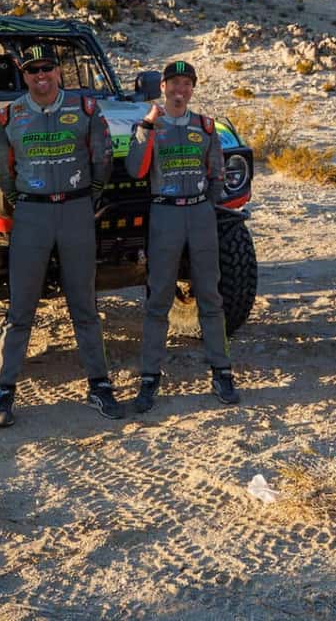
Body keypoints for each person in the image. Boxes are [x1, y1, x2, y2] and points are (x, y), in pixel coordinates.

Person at [0, 43, 117, 426]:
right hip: (32, 215)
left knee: (85, 306)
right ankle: (3, 394)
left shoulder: (85, 110)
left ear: (59, 71)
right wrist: (23, 200)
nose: (40, 76)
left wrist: (85, 199)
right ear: (23, 75)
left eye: (47, 68)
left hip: (76, 211)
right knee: (20, 310)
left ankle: (99, 386)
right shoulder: (9, 116)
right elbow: (2, 172)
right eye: (32, 71)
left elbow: (102, 160)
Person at [125, 59, 239, 413]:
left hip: (200, 214)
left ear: (192, 89)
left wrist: (207, 207)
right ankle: (149, 378)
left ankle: (222, 371)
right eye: (173, 83)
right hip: (165, 214)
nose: (180, 89)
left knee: (210, 295)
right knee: (159, 298)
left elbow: (217, 174)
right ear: (162, 87)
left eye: (186, 83)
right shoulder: (149, 126)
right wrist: (146, 125)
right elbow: (135, 169)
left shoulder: (205, 126)